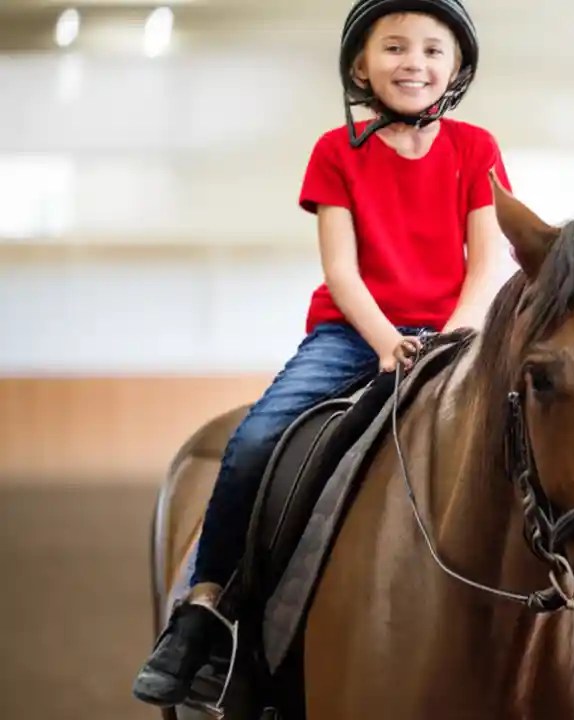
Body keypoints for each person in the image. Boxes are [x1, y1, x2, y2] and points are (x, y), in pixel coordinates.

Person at [132, 0, 512, 706]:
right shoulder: (336, 153)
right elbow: (343, 272)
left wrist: (453, 337)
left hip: (456, 333)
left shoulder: (476, 149)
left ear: (456, 68)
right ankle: (205, 610)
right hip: (353, 332)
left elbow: (487, 264)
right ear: (360, 66)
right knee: (255, 440)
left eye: (433, 50)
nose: (414, 63)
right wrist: (386, 344)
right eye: (394, 47)